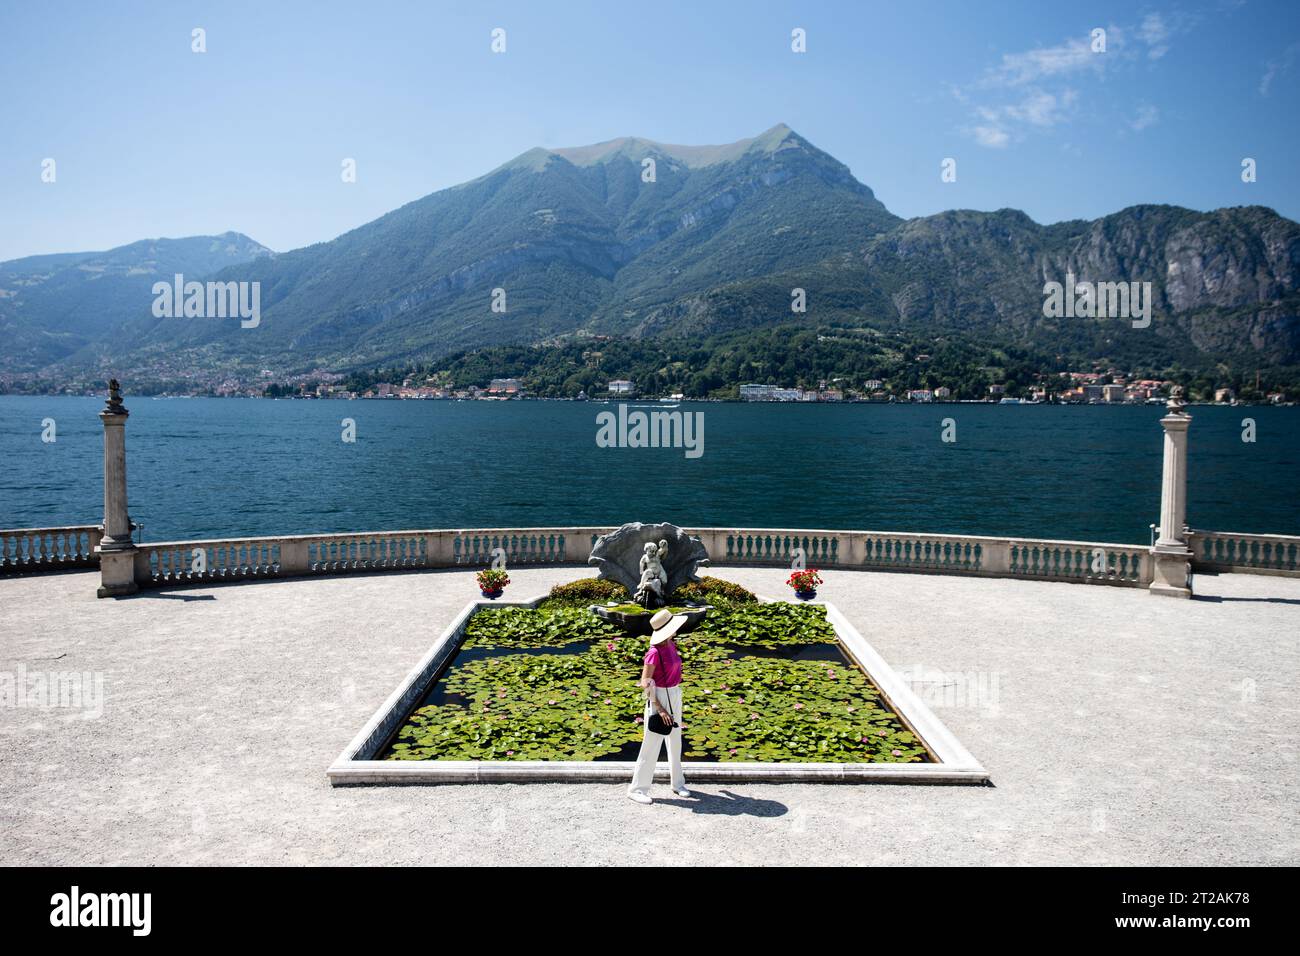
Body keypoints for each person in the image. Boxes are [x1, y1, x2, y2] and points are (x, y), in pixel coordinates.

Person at [628, 608, 691, 804]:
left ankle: (677, 783)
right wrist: (660, 708)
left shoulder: (671, 644)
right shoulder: (654, 652)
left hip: (674, 693)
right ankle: (637, 788)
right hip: (658, 696)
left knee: (675, 740)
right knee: (651, 744)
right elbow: (645, 682)